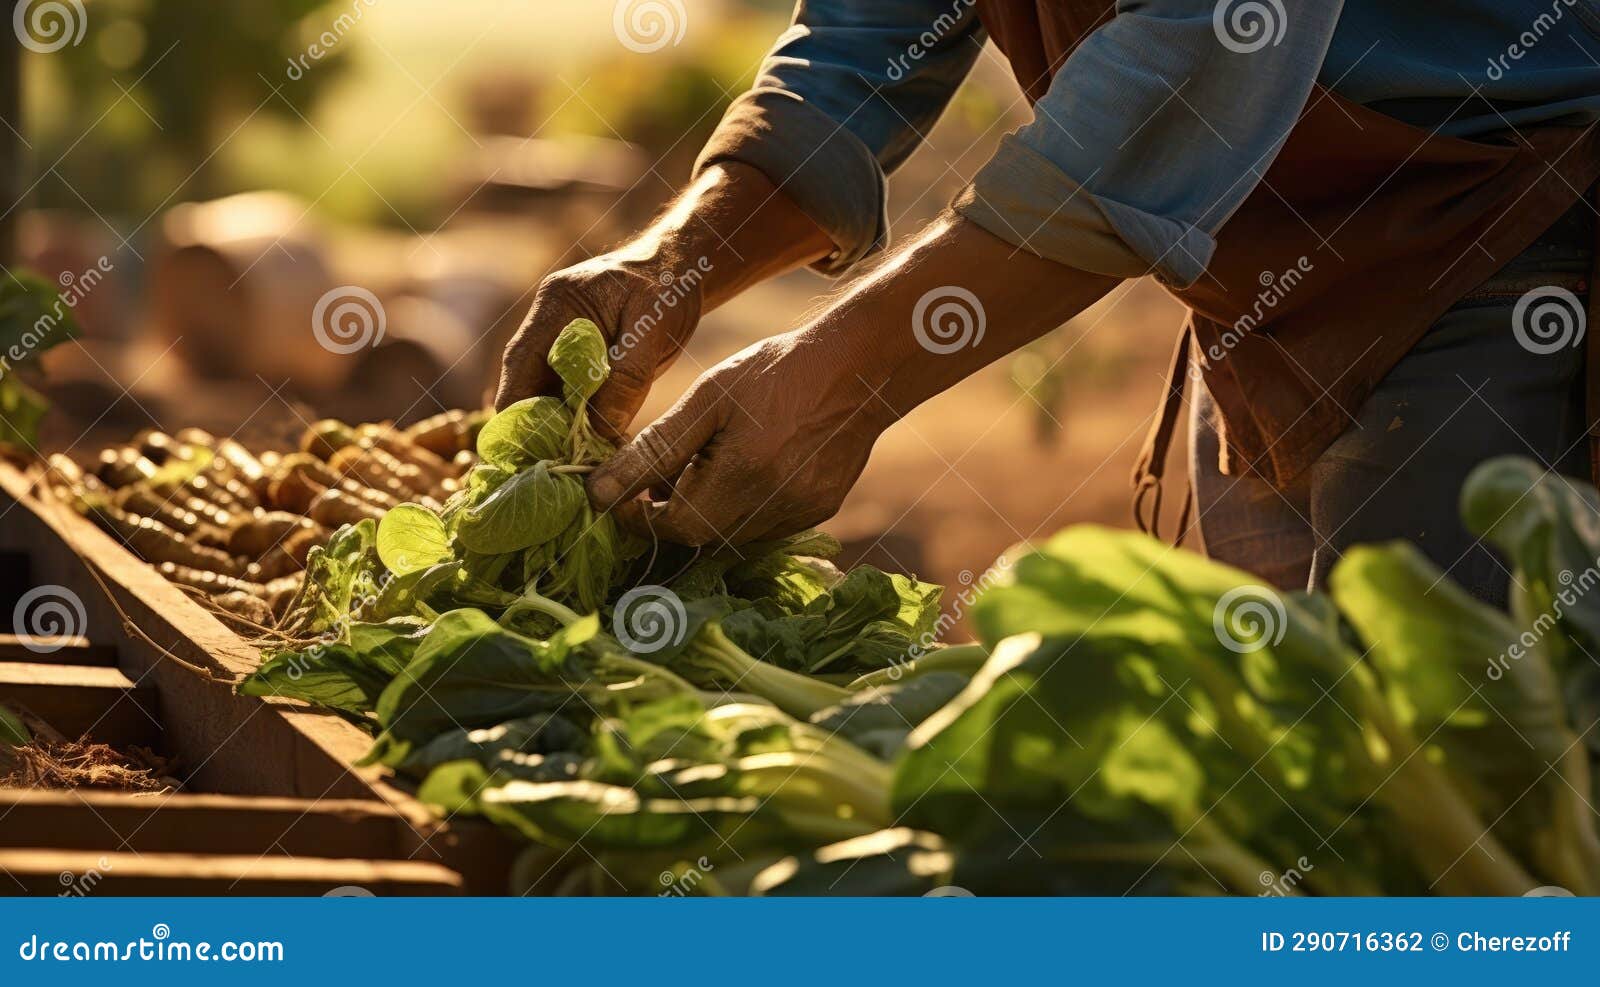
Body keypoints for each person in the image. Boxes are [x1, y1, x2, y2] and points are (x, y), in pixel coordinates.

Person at [496, 1, 1600, 605]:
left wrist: (846, 375)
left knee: (1443, 814)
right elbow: (857, 45)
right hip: (1264, 303)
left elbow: (1208, 35)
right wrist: (670, 266)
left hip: (1500, 233)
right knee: (1301, 792)